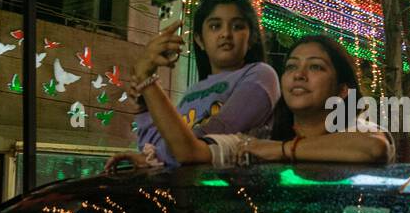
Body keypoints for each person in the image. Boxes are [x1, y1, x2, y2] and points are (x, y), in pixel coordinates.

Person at [138, 33, 394, 166]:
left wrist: (279, 151)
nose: (299, 76)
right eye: (292, 67)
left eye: (315, 67)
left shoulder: (358, 131)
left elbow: (374, 148)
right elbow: (187, 150)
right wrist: (147, 79)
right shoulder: (257, 140)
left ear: (342, 90)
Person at [107, 0, 280, 172]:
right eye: (215, 26)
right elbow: (152, 144)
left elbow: (197, 146)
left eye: (237, 26)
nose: (226, 34)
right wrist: (143, 106)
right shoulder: (193, 91)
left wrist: (147, 80)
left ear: (251, 38)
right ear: (199, 40)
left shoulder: (261, 75)